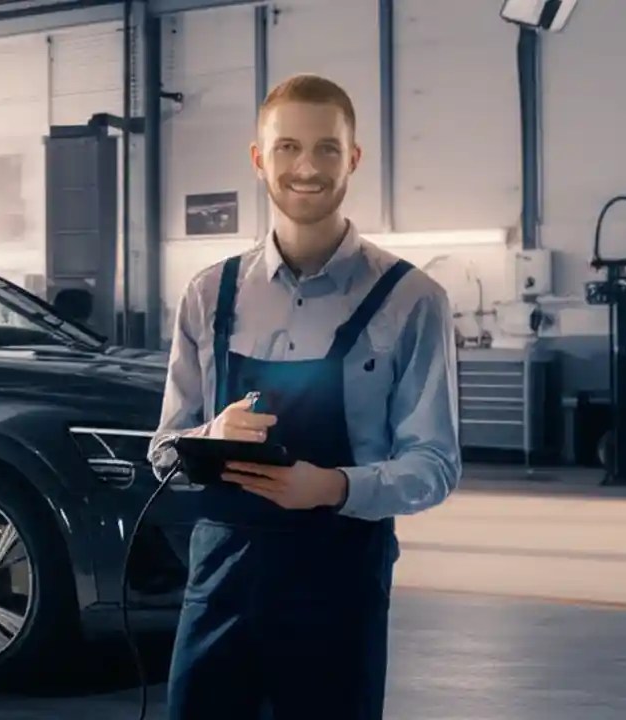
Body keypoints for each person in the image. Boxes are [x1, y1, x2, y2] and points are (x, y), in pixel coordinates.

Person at [148, 73, 462, 719]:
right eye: (287, 147)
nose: (307, 168)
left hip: (339, 585)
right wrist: (210, 436)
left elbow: (434, 465)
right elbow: (163, 451)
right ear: (259, 158)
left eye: (326, 148)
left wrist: (334, 488)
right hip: (221, 584)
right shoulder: (208, 295)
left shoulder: (412, 300)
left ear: (354, 157)